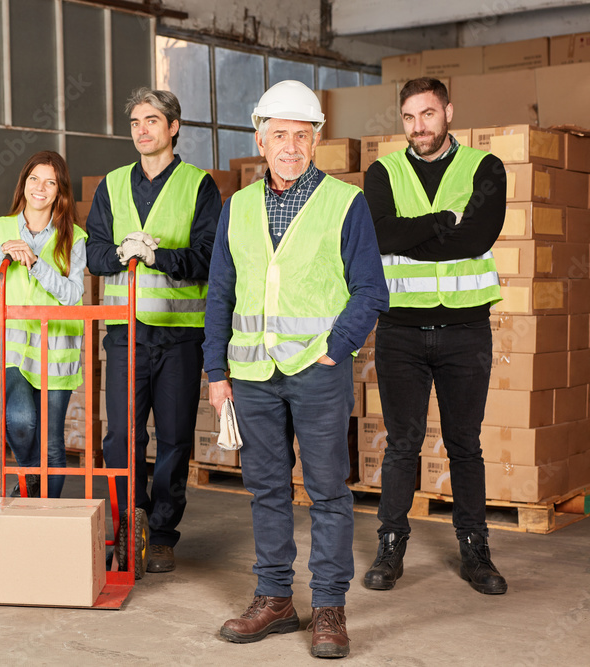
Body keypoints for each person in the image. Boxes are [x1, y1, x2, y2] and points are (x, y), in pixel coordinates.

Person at [205, 80, 388, 658]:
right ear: (260, 139)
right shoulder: (235, 208)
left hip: (317, 370)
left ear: (316, 141)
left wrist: (336, 347)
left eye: (301, 136)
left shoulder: (344, 202)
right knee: (265, 489)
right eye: (279, 134)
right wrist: (216, 373)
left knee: (328, 490)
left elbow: (370, 290)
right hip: (253, 375)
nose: (289, 146)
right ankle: (276, 598)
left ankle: (328, 607)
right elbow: (220, 294)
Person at [362, 78, 507, 595]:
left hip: (466, 329)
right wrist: (444, 223)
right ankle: (390, 547)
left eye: (427, 114)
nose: (418, 127)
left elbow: (478, 237)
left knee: (465, 444)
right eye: (408, 117)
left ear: (448, 111)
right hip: (400, 329)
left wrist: (415, 230)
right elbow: (378, 235)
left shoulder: (484, 168)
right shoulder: (383, 172)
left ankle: (476, 551)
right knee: (402, 445)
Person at [86, 87, 221, 577]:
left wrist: (157, 256)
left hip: (179, 338)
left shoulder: (199, 186)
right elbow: (93, 253)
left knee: (174, 439)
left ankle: (161, 533)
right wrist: (122, 252)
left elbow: (208, 258)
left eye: (151, 121)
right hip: (124, 336)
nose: (142, 130)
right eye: (135, 123)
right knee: (120, 438)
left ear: (173, 127)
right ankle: (129, 523)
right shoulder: (112, 185)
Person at [0, 151, 87, 499]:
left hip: (56, 352)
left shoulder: (75, 237)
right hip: (10, 348)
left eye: (50, 182)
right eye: (34, 179)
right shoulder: (0, 228)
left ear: (60, 191)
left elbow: (72, 295)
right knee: (22, 422)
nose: (40, 188)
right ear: (23, 184)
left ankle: (48, 516)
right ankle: (29, 478)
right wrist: (3, 255)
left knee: (53, 443)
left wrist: (36, 264)